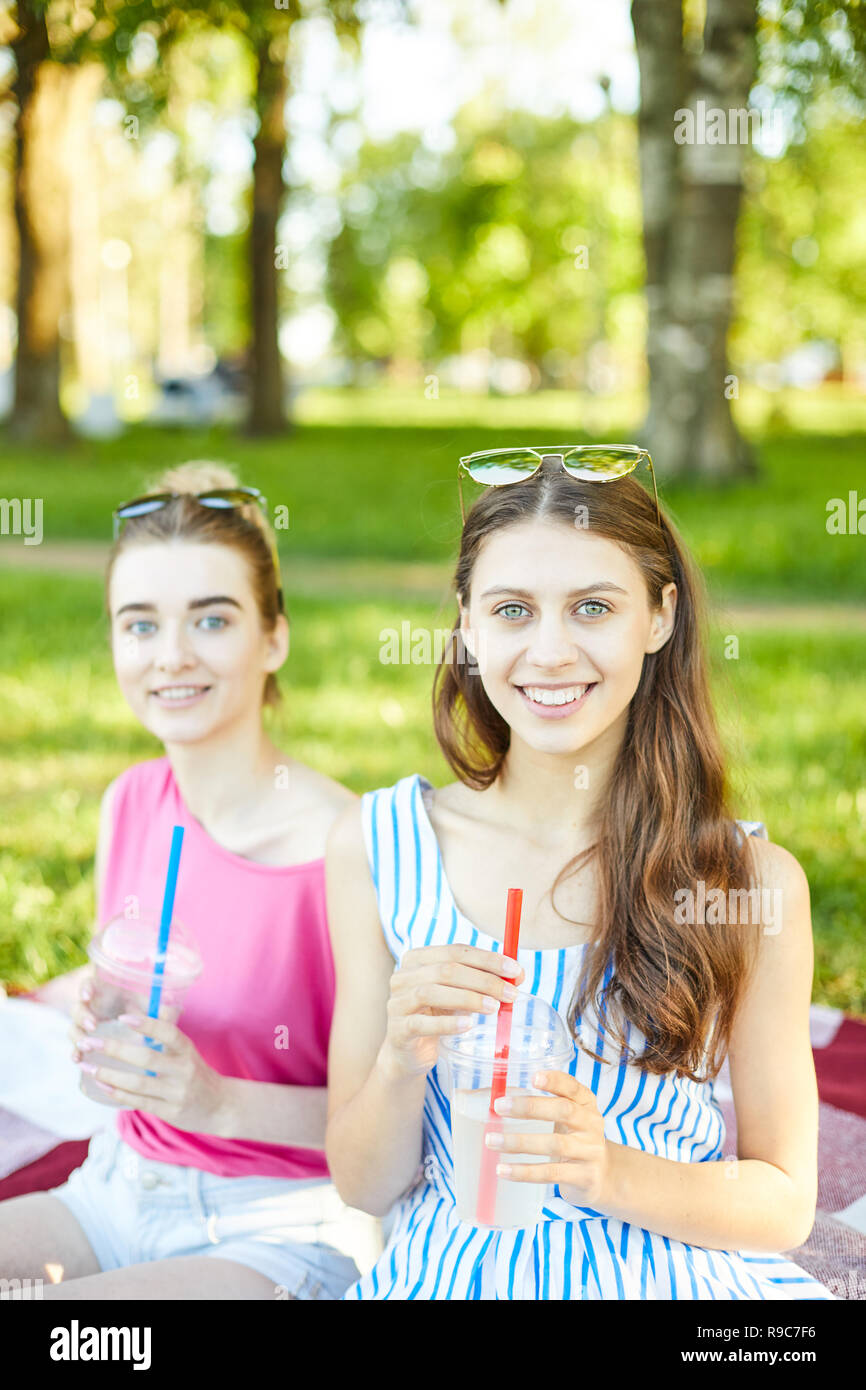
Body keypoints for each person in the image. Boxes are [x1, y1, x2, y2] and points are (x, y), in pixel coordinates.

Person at [323, 448, 836, 1300]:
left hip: (677, 1279)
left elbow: (783, 1203)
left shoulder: (751, 884)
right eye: (513, 610)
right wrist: (399, 1060)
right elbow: (363, 1185)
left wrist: (604, 1170)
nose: (550, 652)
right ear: (467, 624)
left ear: (661, 617)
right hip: (454, 1277)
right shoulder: (378, 844)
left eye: (593, 607)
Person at [0, 461, 361, 1300]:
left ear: (273, 636)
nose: (171, 658)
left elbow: (399, 1132)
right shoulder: (131, 801)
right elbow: (134, 980)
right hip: (116, 1186)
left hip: (278, 1226)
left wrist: (216, 1102)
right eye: (140, 625)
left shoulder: (349, 846)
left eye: (211, 619)